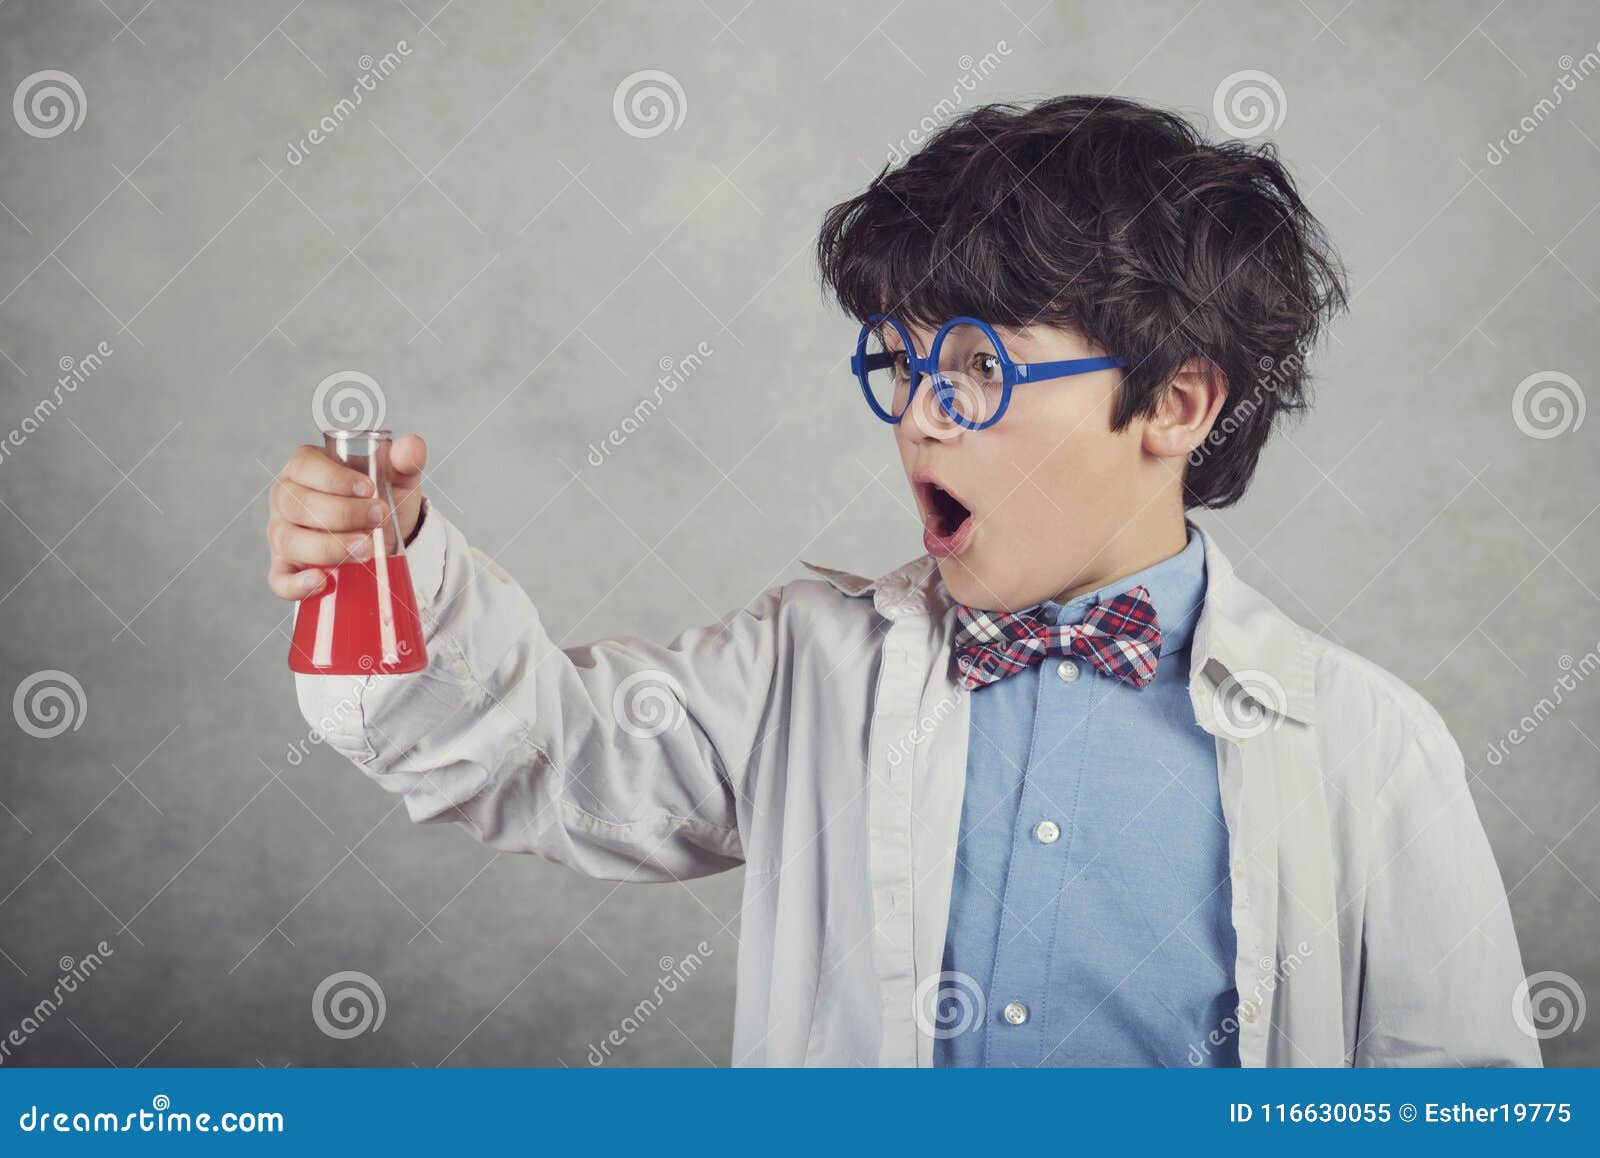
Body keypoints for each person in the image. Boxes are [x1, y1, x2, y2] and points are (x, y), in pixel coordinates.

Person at [266, 95, 1539, 1067]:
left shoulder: (1366, 748)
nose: (920, 422)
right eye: (899, 365)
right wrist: (389, 566)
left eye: (978, 370)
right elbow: (530, 749)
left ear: (1176, 402)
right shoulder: (806, 672)